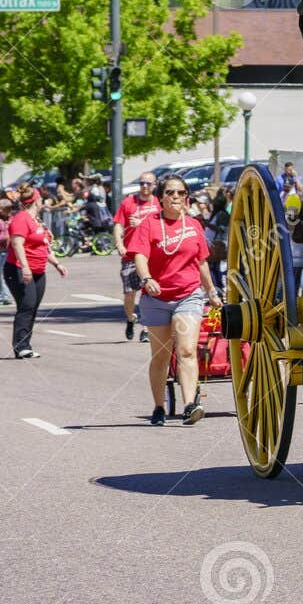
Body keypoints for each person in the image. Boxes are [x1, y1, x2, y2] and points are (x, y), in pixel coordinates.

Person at [126, 177, 222, 426]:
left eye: (181, 192)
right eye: (170, 192)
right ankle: (159, 406)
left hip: (188, 295)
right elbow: (139, 255)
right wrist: (146, 278)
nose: (176, 196)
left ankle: (190, 404)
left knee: (187, 350)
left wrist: (211, 291)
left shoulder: (193, 225)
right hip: (156, 298)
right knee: (160, 356)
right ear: (161, 197)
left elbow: (201, 262)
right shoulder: (149, 225)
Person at [3, 182, 67, 359]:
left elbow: (44, 247)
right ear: (36, 200)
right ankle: (20, 346)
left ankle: (26, 345)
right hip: (18, 269)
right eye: (41, 198)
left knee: (33, 307)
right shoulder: (21, 219)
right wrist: (25, 267)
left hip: (38, 270)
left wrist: (57, 264)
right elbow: (17, 244)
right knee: (27, 305)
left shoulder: (36, 220)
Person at [113, 172, 160, 343]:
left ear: (155, 184)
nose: (145, 186)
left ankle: (146, 328)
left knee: (149, 292)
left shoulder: (158, 203)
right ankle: (131, 318)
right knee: (130, 294)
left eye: (148, 183)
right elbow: (118, 225)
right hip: (130, 255)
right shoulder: (128, 202)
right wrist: (119, 244)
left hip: (151, 255)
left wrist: (144, 225)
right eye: (142, 183)